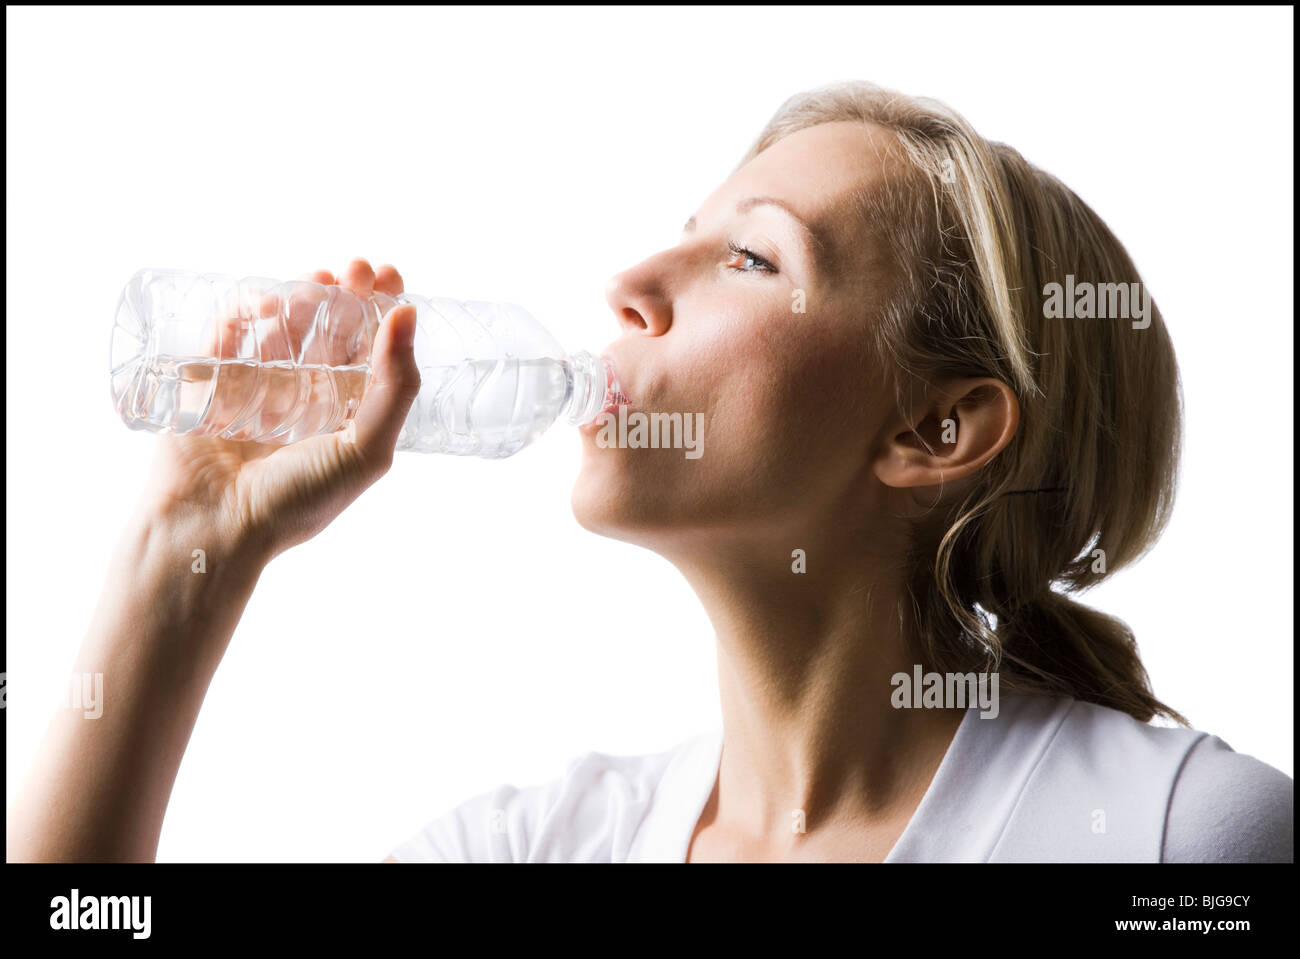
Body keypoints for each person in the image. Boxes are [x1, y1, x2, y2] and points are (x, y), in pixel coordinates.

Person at [8, 81, 1292, 863]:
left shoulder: (1186, 836)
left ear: (936, 432)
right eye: (684, 237)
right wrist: (187, 546)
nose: (626, 287)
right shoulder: (546, 844)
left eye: (750, 259)